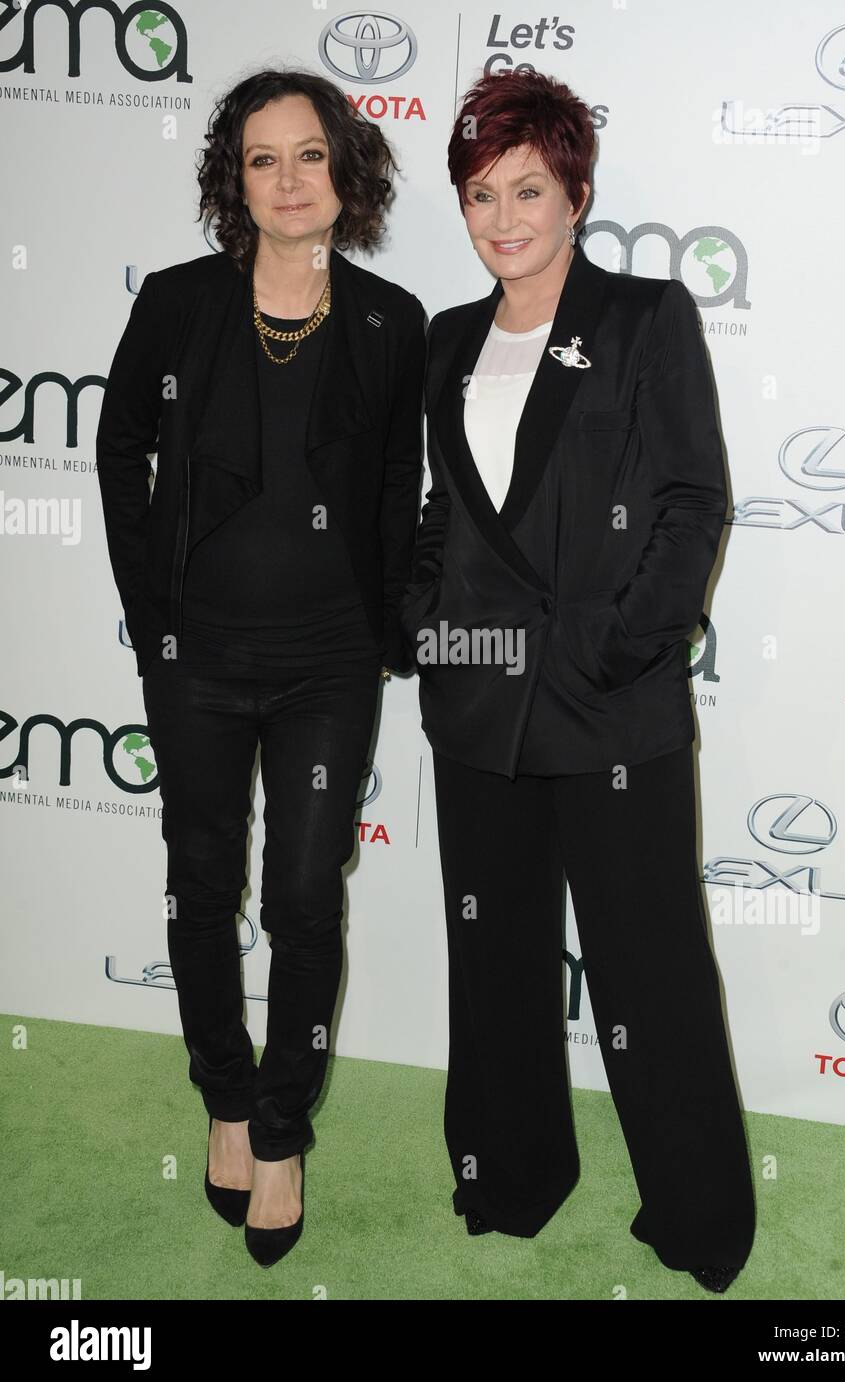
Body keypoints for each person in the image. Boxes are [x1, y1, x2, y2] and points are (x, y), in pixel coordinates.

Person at [400, 69, 755, 1293]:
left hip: (609, 705)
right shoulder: (448, 339)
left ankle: (699, 1219)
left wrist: (612, 647)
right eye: (480, 194)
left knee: (647, 966)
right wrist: (424, 630)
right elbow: (446, 520)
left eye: (528, 190)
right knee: (491, 958)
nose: (503, 219)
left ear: (575, 191)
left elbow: (690, 502)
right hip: (478, 701)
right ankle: (509, 1174)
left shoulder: (645, 318)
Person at [96, 68, 425, 1267]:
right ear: (233, 182)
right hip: (195, 657)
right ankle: (224, 1106)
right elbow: (120, 446)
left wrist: (393, 627)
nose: (288, 180)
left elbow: (397, 486)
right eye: (260, 159)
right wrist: (151, 613)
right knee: (198, 881)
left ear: (346, 169)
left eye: (307, 154)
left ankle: (282, 1133)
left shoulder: (393, 322)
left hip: (329, 661)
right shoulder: (179, 306)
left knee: (298, 896)